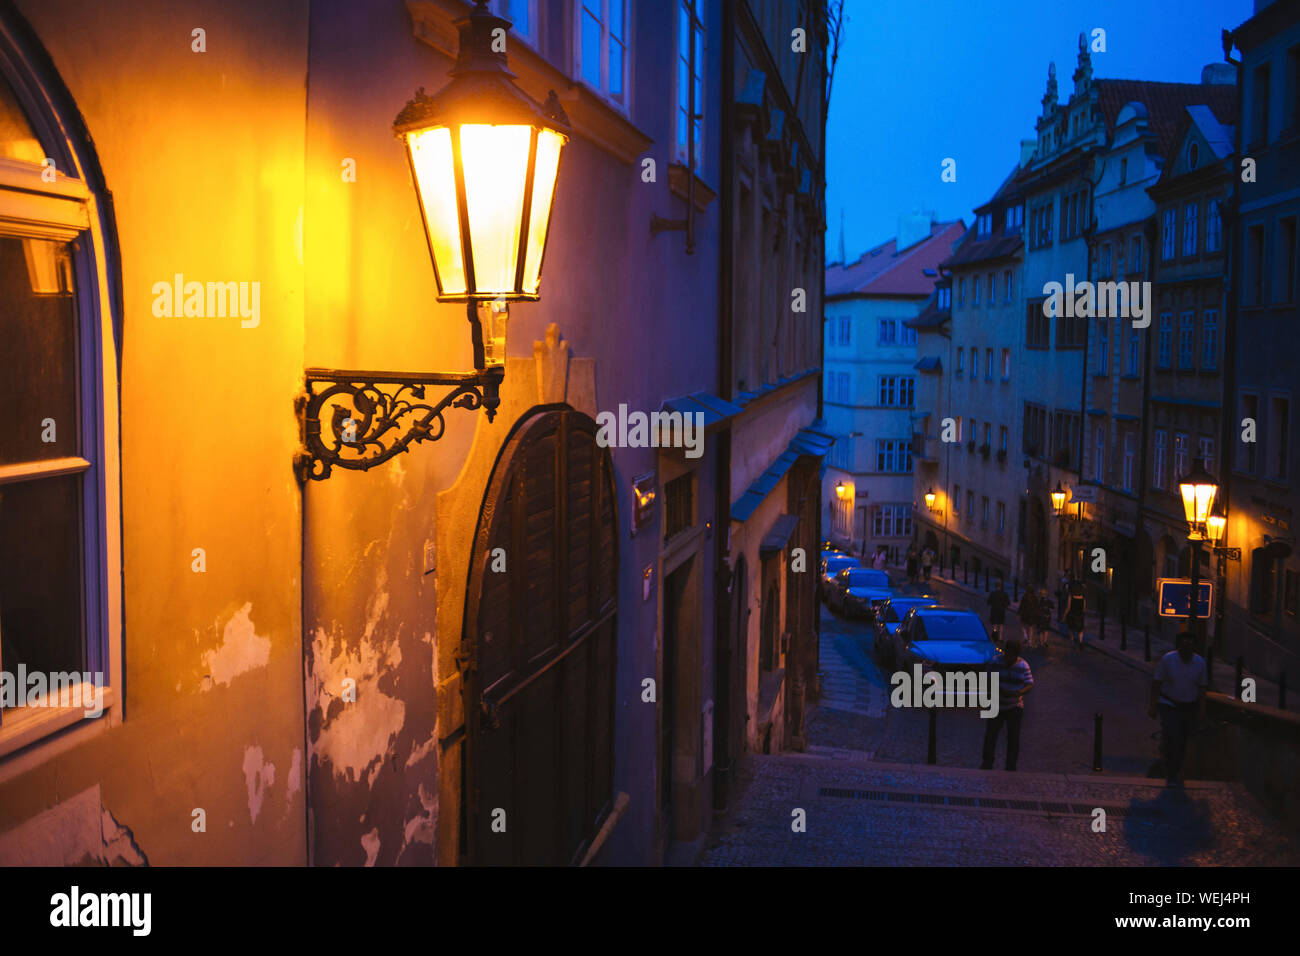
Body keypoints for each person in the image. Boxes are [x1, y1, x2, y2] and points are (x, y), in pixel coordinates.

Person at [1149, 631, 1207, 787]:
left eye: (1190, 644)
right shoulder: (1168, 660)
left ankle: (1175, 767)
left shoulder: (1200, 663)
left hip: (1188, 706)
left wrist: (1202, 710)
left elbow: (1202, 688)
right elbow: (1157, 683)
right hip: (1169, 703)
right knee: (1174, 734)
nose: (1187, 647)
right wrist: (1153, 705)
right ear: (1179, 645)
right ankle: (1171, 770)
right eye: (1184, 644)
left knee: (1183, 740)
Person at [981, 639, 1034, 771]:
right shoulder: (995, 662)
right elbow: (986, 678)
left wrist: (1018, 693)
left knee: (1013, 738)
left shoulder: (1023, 666)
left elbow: (1029, 684)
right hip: (996, 704)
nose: (1008, 658)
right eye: (1007, 654)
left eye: (1011, 655)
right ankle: (987, 764)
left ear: (1016, 655)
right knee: (990, 736)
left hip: (1014, 706)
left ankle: (1011, 766)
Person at [1065, 578, 1086, 648]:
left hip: (1072, 615)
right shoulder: (1083, 597)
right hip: (1080, 615)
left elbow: (1068, 607)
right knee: (1080, 629)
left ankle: (1072, 642)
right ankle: (1080, 642)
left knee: (1071, 629)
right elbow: (1084, 608)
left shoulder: (1071, 596)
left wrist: (1064, 615)